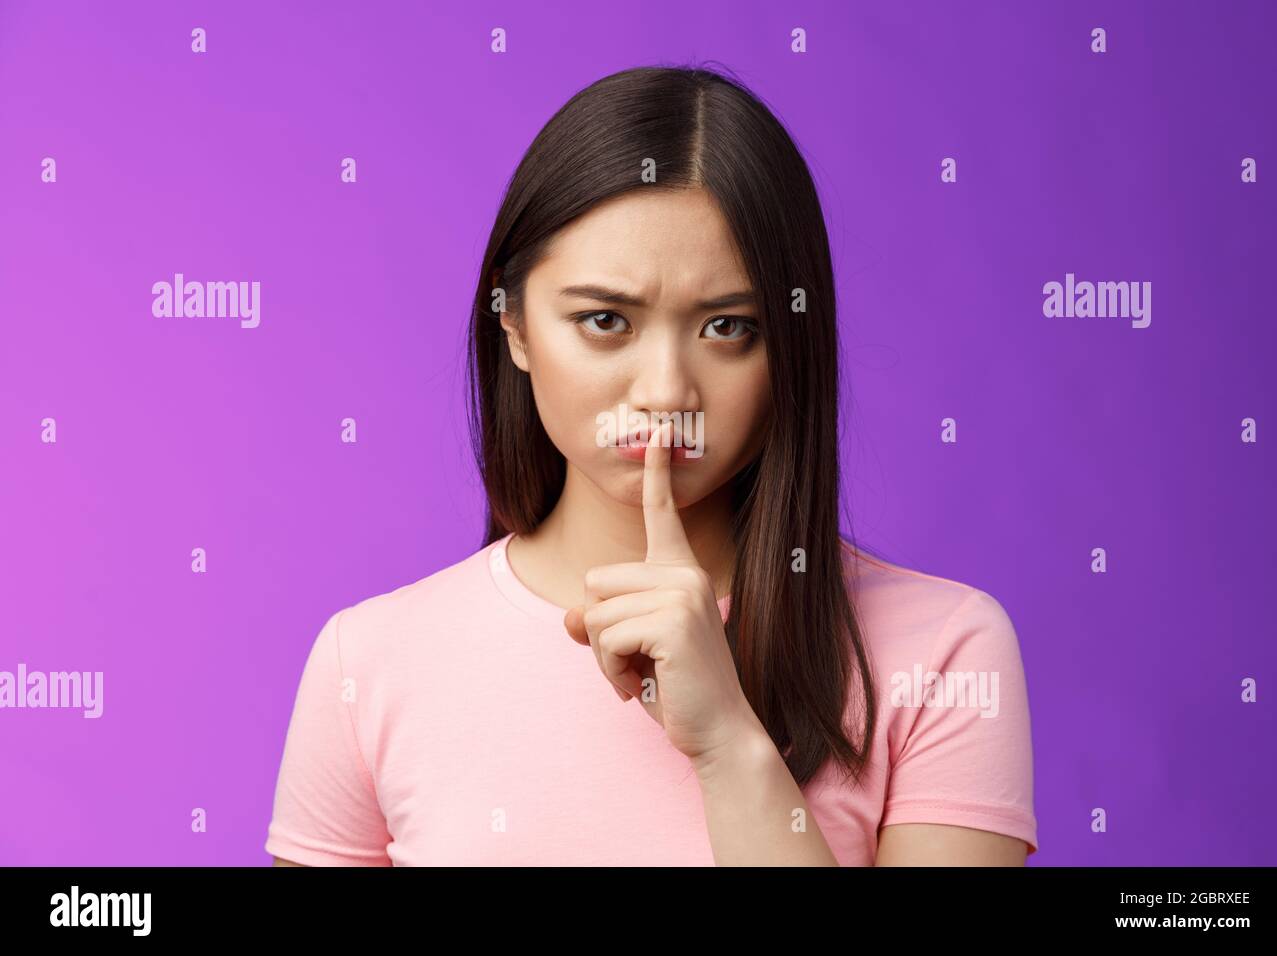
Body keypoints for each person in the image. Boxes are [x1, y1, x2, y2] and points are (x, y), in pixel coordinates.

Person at [265, 64, 1037, 866]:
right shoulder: (372, 662)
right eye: (605, 320)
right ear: (517, 325)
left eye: (729, 328)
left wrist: (731, 747)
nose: (667, 391)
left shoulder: (944, 652)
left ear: (791, 346)